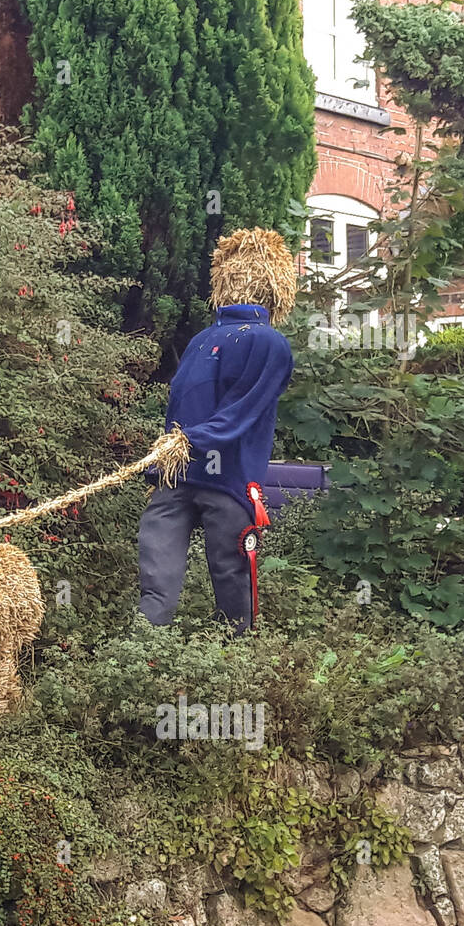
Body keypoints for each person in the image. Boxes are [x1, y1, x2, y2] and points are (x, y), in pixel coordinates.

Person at [138, 228, 297, 632]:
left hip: (213, 476)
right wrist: (165, 460)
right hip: (187, 476)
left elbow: (241, 408)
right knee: (166, 579)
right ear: (278, 285)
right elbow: (187, 406)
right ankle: (146, 657)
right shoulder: (251, 341)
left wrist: (186, 443)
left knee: (230, 578)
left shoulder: (256, 343)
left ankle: (229, 664)